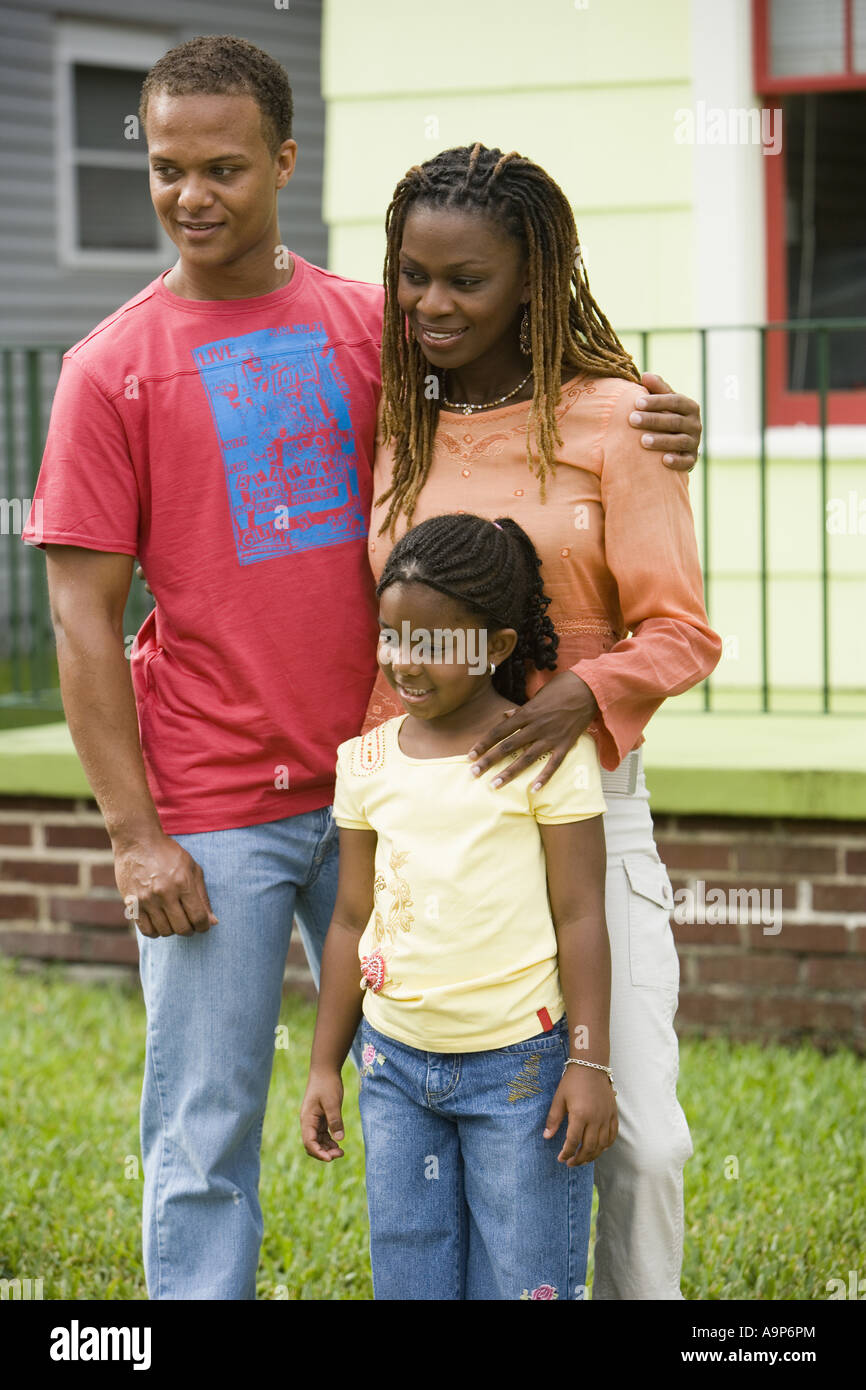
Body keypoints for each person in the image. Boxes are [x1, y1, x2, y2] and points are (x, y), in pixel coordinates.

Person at [22, 33, 704, 1300]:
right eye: (167, 168)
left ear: (284, 162)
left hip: (403, 789)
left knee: (476, 1081)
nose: (192, 195)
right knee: (207, 1125)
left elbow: (520, 389)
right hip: (214, 802)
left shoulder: (373, 330)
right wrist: (131, 835)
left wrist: (656, 416)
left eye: (223, 165)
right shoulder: (108, 370)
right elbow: (79, 622)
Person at [360, 143, 723, 1300]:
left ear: (533, 279)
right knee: (459, 1130)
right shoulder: (395, 424)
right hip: (439, 831)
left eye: (463, 280)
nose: (429, 303)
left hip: (584, 816)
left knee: (640, 1135)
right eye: (412, 275)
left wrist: (580, 690)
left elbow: (680, 632)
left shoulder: (619, 421)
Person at [301, 512, 616, 1301]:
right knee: (412, 1274)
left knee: (524, 1279)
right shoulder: (364, 763)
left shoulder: (545, 756)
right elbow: (349, 919)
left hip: (522, 1071)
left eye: (432, 644)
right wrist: (322, 1064)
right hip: (393, 1064)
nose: (404, 662)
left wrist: (589, 1059)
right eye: (391, 637)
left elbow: (581, 916)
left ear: (497, 648)